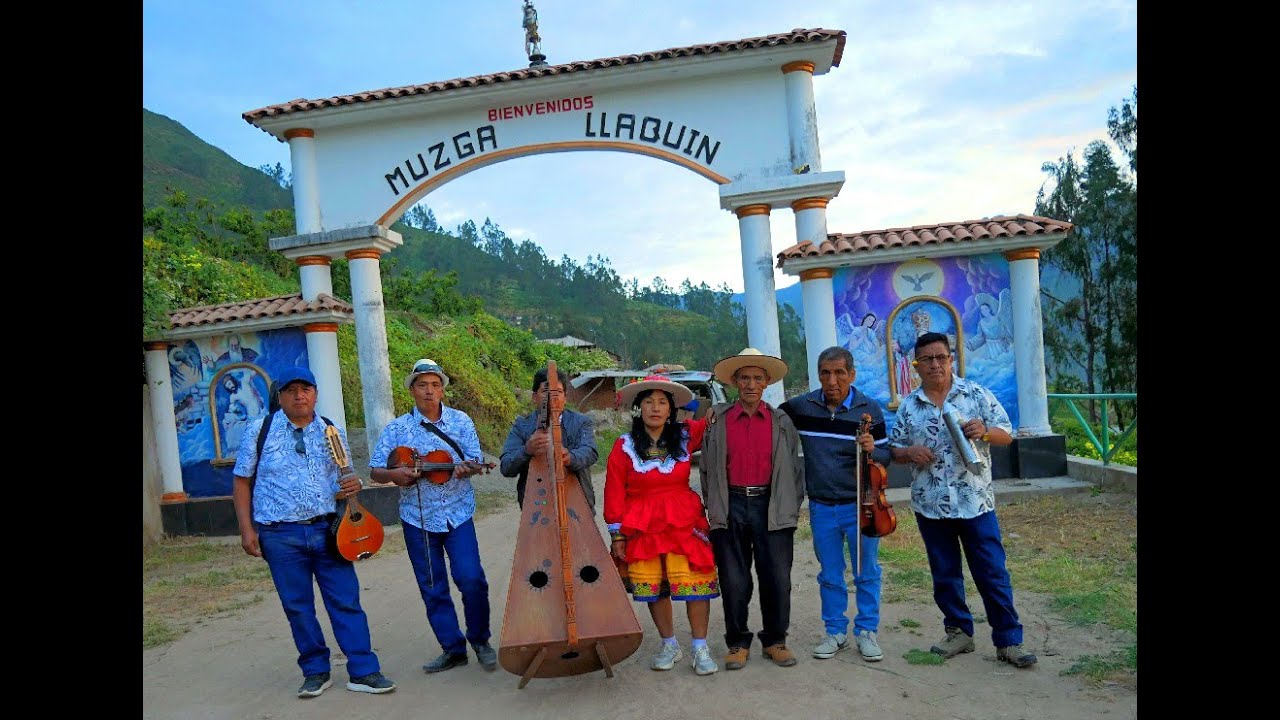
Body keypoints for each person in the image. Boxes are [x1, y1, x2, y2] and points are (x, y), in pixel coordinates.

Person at [231, 366, 397, 699]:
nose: (299, 395)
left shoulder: (331, 431)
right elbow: (241, 480)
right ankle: (315, 671)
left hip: (327, 531)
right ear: (280, 396)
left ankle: (363, 670)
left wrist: (353, 485)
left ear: (315, 394)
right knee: (298, 606)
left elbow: (344, 481)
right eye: (291, 390)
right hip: (279, 535)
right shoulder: (259, 430)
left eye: (305, 389)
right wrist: (246, 529)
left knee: (346, 601)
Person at [887, 332, 1037, 669]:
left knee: (992, 572)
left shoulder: (976, 395)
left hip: (975, 504)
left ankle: (1009, 640)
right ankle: (958, 632)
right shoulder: (910, 406)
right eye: (927, 359)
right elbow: (893, 450)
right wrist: (909, 452)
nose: (936, 364)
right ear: (916, 365)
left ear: (951, 359)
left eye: (942, 357)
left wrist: (983, 431)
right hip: (931, 505)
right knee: (945, 573)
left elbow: (1006, 434)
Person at [368, 359, 497, 674]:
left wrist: (469, 468)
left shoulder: (461, 421)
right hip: (418, 518)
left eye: (435, 384)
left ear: (442, 389)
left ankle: (480, 639)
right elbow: (375, 469)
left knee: (471, 578)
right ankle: (452, 648)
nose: (429, 391)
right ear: (412, 389)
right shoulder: (396, 428)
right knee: (432, 585)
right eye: (422, 385)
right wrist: (394, 474)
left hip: (457, 513)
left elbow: (474, 460)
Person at [780, 346, 891, 663]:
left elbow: (885, 458)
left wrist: (873, 448)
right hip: (821, 506)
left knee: (866, 571)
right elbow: (769, 418)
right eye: (826, 373)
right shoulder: (803, 407)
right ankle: (835, 632)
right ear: (818, 375)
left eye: (840, 373)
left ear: (852, 375)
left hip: (862, 505)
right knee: (830, 572)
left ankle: (867, 631)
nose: (832, 380)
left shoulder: (870, 409)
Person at [605, 374, 720, 676]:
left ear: (671, 409)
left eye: (661, 402)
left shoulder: (685, 435)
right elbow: (614, 490)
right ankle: (669, 643)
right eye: (648, 402)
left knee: (695, 580)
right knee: (655, 587)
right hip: (642, 524)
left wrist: (714, 410)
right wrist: (617, 536)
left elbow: (713, 421)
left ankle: (699, 646)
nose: (655, 408)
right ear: (638, 408)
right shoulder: (624, 446)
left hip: (683, 519)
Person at [700, 348, 805, 671]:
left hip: (770, 505)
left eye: (757, 378)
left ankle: (775, 640)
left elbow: (794, 467)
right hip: (731, 504)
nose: (750, 384)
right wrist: (715, 506)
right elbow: (705, 468)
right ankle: (737, 642)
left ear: (766, 382)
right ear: (734, 382)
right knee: (734, 580)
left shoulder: (781, 421)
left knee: (776, 577)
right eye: (744, 378)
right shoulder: (718, 420)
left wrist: (790, 504)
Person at [499, 366, 599, 511]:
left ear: (565, 397)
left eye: (557, 392)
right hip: (537, 510)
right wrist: (527, 450)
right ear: (534, 397)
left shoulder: (581, 422)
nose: (552, 397)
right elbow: (506, 467)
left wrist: (569, 457)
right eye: (546, 391)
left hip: (578, 507)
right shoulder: (522, 426)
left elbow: (590, 452)